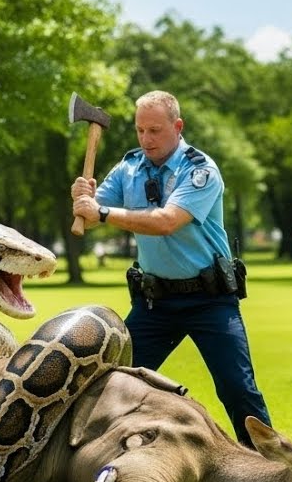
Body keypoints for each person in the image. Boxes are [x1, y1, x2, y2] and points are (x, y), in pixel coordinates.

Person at [70, 90, 271, 447]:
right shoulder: (128, 167)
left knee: (238, 390)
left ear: (177, 127)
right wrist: (85, 199)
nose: (146, 139)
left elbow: (166, 221)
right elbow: (95, 214)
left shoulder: (199, 170)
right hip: (155, 304)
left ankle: (274, 472)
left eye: (155, 130)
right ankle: (89, 461)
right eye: (140, 130)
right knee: (112, 382)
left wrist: (99, 212)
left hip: (210, 301)